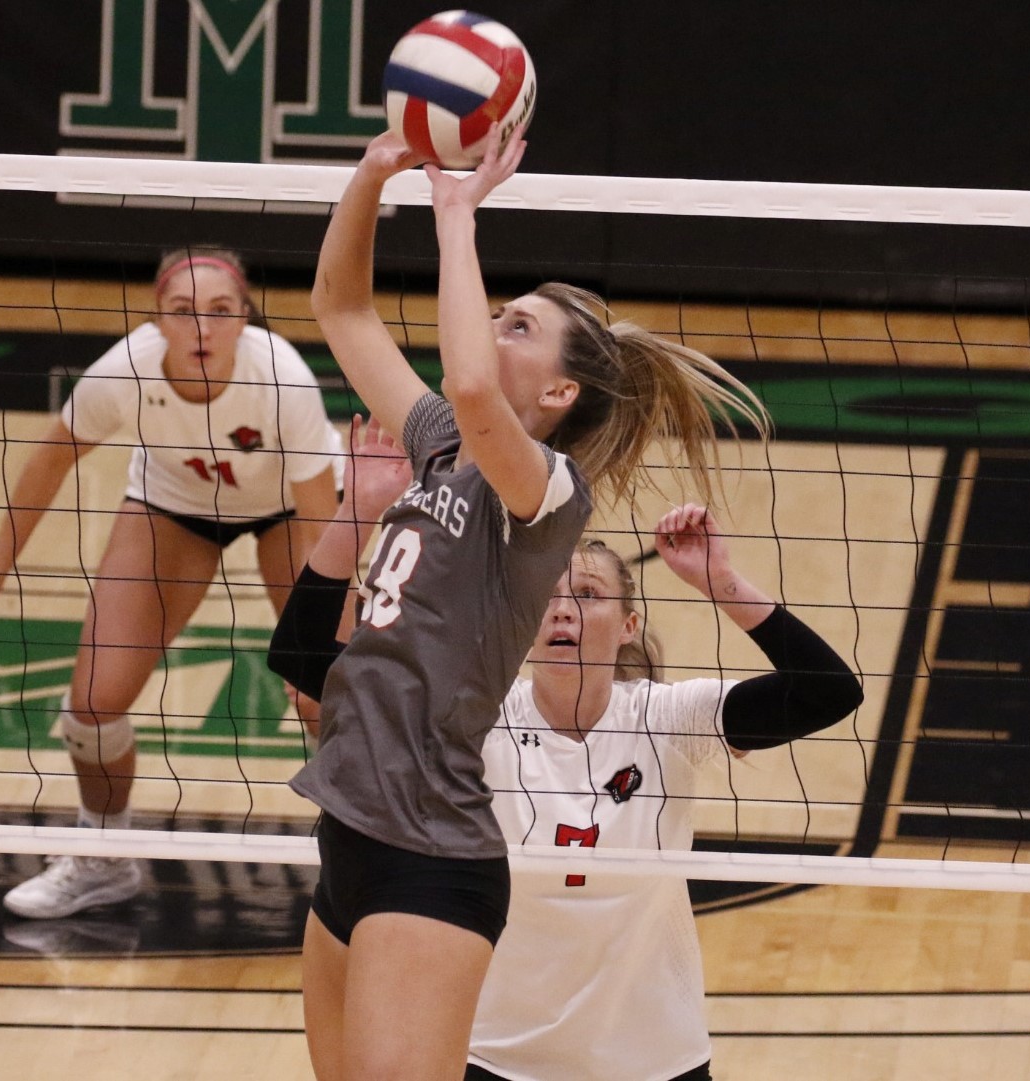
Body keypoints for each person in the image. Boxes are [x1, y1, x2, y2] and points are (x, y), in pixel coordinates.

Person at [285, 129, 769, 1081]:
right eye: (497, 314)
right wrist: (374, 177)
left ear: (557, 390)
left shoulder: (547, 493)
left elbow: (469, 385)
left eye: (518, 325)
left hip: (428, 852)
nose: (492, 328)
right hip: (350, 824)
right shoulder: (437, 449)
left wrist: (457, 214)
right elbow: (339, 308)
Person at [271, 423, 862, 1081]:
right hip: (490, 1056)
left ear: (630, 623)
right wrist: (359, 510)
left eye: (587, 595)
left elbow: (828, 692)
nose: (563, 612)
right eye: (547, 597)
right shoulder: (472, 717)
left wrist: (720, 581)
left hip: (651, 1060)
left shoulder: (667, 718)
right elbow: (303, 660)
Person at [0, 245, 343, 922]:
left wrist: (314, 636)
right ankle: (103, 856)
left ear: (245, 317)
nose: (202, 329)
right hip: (174, 506)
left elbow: (319, 521)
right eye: (183, 311)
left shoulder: (281, 376)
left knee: (327, 697)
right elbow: (48, 465)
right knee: (92, 704)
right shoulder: (125, 371)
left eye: (220, 312)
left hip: (290, 512)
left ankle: (361, 856)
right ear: (157, 319)